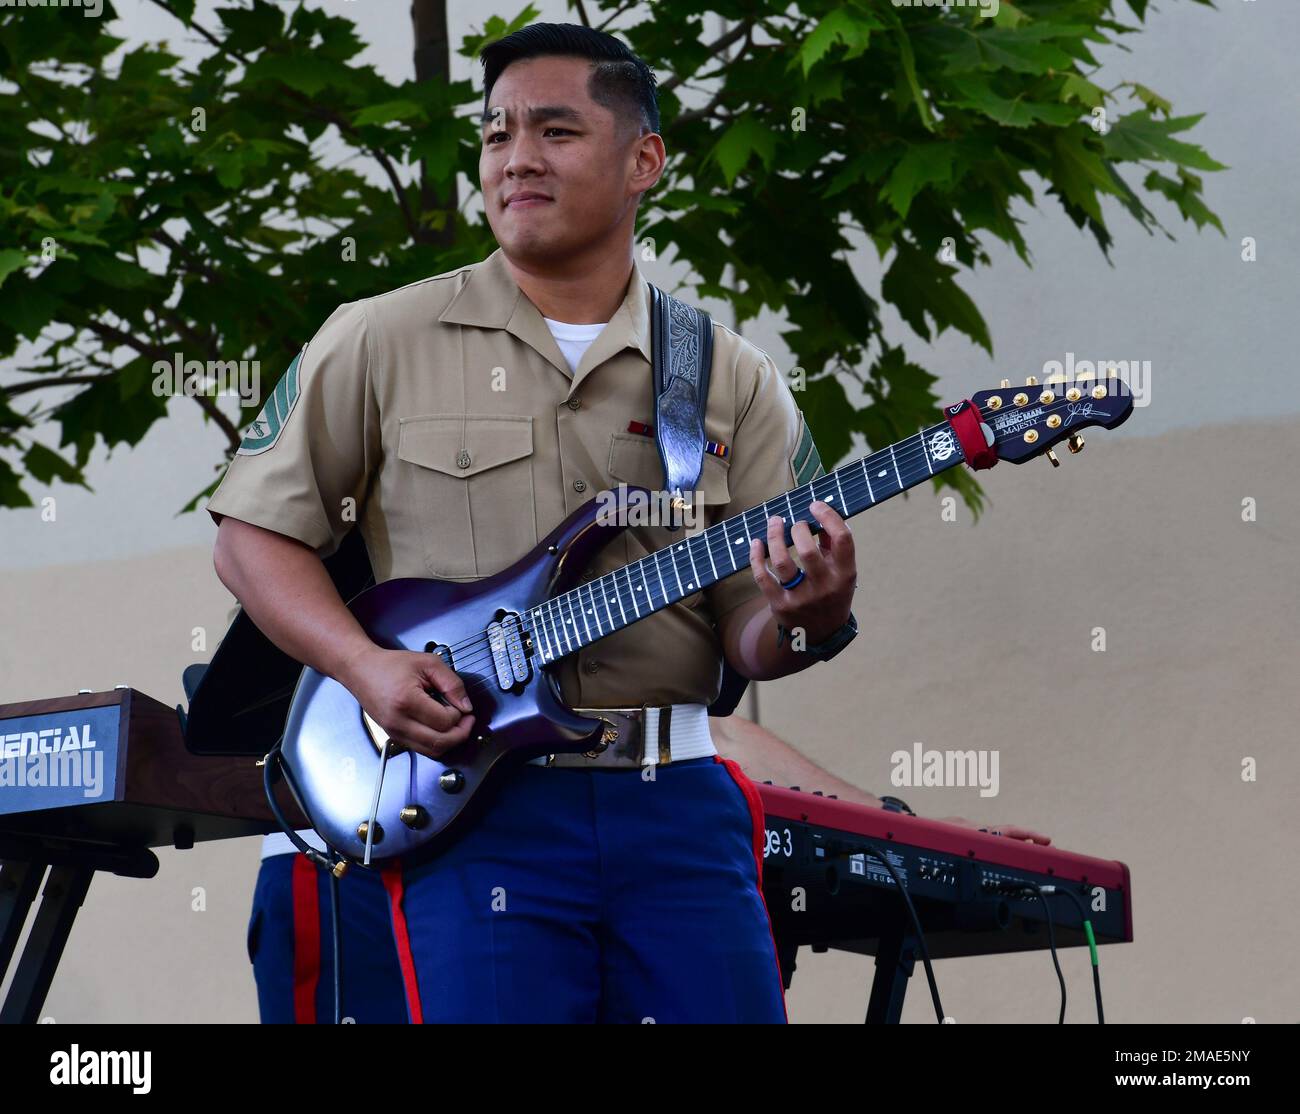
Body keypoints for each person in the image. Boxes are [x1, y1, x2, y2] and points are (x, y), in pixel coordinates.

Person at [212, 22, 1043, 1025]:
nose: (516, 156)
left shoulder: (727, 372)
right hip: (481, 811)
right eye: (496, 135)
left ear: (643, 159)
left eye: (555, 131)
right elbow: (253, 537)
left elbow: (750, 632)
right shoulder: (378, 336)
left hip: (677, 802)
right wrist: (365, 666)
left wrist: (808, 615)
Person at [246, 713, 1049, 1023]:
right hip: (349, 863)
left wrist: (903, 826)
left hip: (550, 860)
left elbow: (698, 727)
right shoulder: (368, 420)